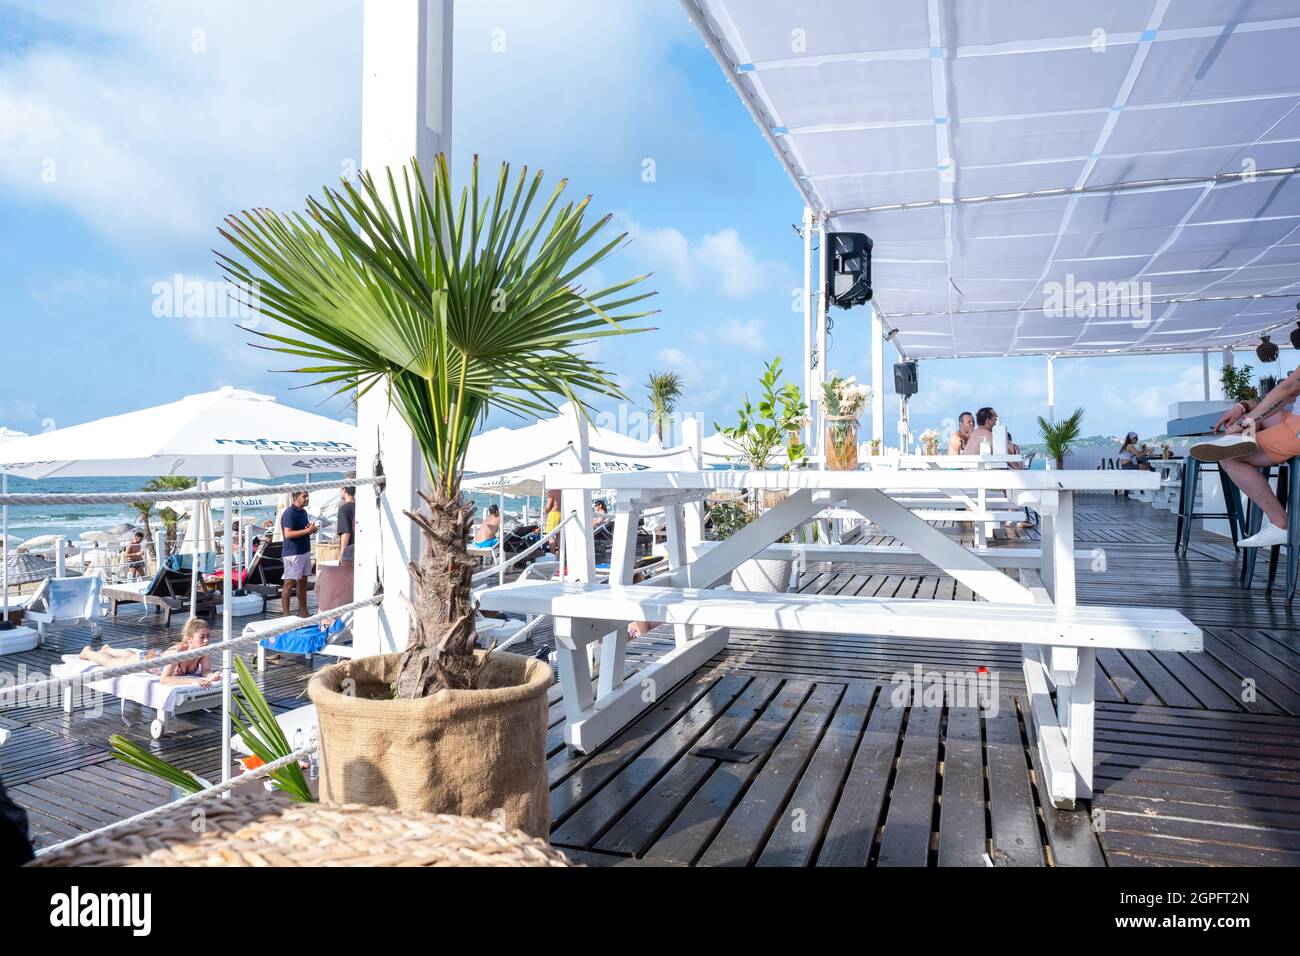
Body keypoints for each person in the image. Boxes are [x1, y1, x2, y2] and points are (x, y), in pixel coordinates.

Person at [1191, 366, 1300, 547]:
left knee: (1229, 457)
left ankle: (1280, 524)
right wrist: (1243, 407)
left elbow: (1289, 390)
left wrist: (1245, 422)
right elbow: (1287, 390)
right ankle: (1241, 440)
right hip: (1293, 420)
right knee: (1256, 421)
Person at [79, 617, 217, 687]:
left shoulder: (204, 651)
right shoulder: (176, 654)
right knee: (113, 663)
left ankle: (108, 649)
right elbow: (165, 680)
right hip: (149, 660)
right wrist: (192, 681)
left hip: (156, 655)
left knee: (130, 656)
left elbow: (206, 670)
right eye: (202, 637)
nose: (206, 641)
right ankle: (88, 652)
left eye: (208, 637)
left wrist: (210, 675)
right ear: (189, 639)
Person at [280, 490, 318, 616]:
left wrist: (310, 529)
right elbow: (288, 534)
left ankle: (304, 612)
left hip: (304, 550)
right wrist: (308, 531)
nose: (307, 498)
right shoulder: (289, 513)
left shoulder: (303, 512)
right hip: (293, 552)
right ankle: (285, 615)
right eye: (304, 496)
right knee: (289, 582)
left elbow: (302, 529)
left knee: (303, 582)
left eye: (308, 496)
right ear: (296, 498)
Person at [336, 485, 356, 562]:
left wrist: (341, 553)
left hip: (350, 552)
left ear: (344, 490)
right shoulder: (360, 506)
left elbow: (346, 533)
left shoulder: (343, 509)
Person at [543, 489, 562, 554]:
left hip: (553, 514)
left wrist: (544, 511)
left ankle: (552, 555)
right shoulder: (563, 491)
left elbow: (548, 506)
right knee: (559, 536)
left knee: (551, 535)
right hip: (562, 513)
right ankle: (560, 555)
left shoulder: (552, 492)